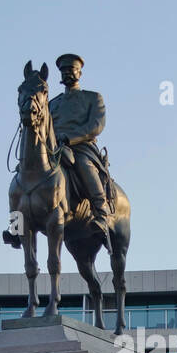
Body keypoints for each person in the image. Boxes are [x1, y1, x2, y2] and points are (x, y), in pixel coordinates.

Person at [50, 54, 113, 240]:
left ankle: (101, 214)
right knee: (25, 172)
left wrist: (70, 138)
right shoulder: (52, 104)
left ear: (80, 72)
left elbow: (96, 125)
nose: (67, 73)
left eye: (71, 69)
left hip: (81, 147)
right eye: (64, 71)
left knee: (84, 165)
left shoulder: (92, 98)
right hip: (54, 149)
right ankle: (16, 227)